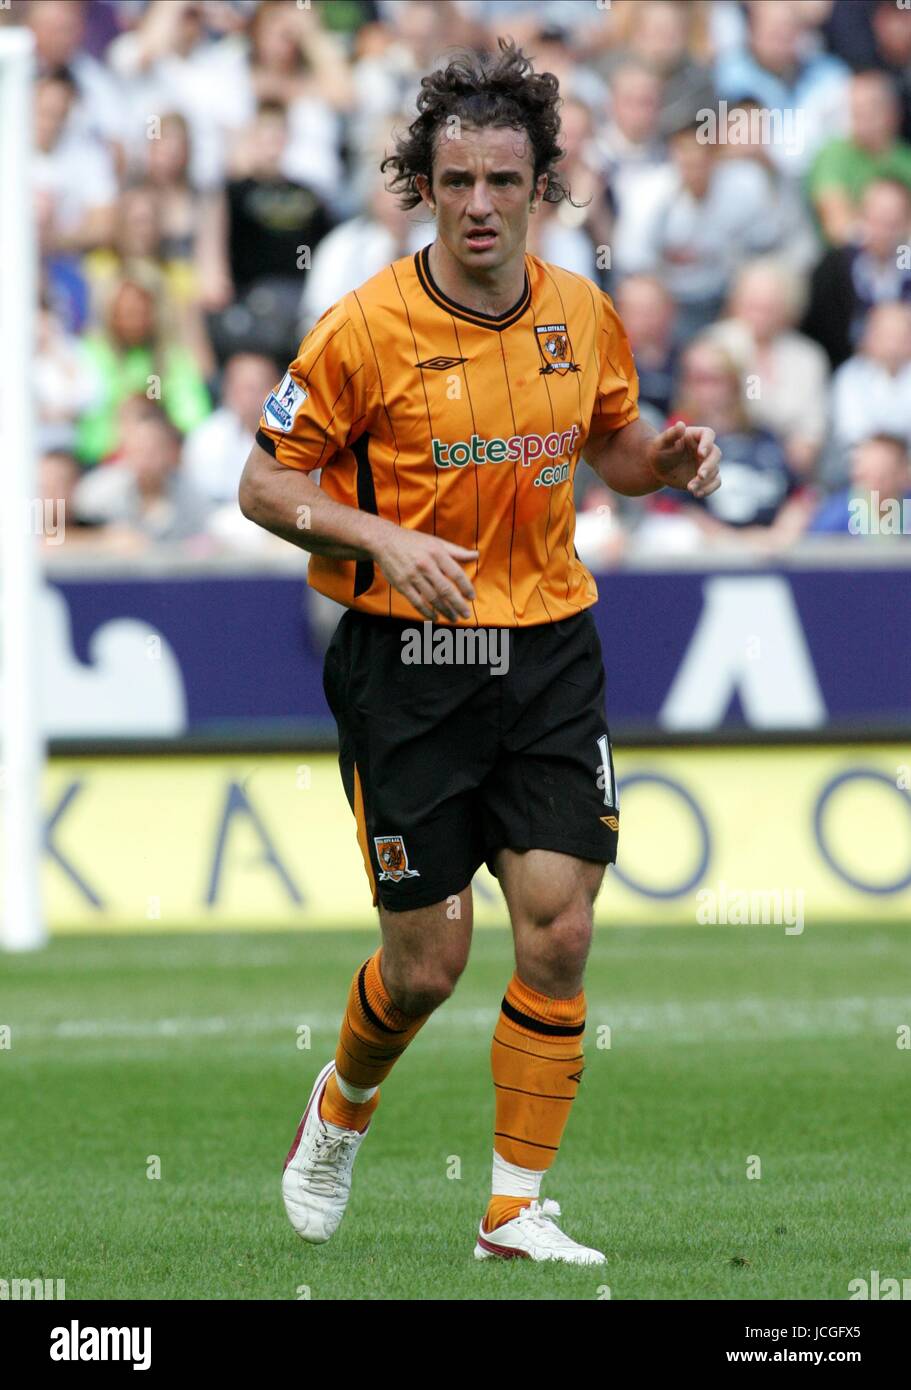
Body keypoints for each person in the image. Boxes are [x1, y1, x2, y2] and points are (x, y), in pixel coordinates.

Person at [239, 39, 721, 1267]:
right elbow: (260, 480)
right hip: (409, 662)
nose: (479, 206)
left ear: (538, 185)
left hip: (549, 640)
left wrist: (658, 467)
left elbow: (611, 448)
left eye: (503, 181)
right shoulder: (363, 330)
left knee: (557, 930)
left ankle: (511, 1209)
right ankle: (341, 1108)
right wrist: (377, 537)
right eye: (455, 181)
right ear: (423, 184)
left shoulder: (580, 313)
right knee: (426, 964)